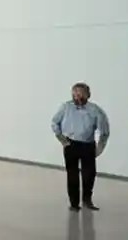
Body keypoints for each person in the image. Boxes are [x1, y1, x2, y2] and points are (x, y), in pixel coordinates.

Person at [51, 82, 109, 211]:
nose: (77, 96)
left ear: (88, 95)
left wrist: (100, 147)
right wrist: (61, 139)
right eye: (75, 93)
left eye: (81, 93)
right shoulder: (66, 107)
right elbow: (55, 122)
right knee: (72, 174)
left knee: (89, 175)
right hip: (70, 144)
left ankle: (87, 200)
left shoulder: (94, 110)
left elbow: (104, 130)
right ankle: (74, 203)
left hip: (87, 145)